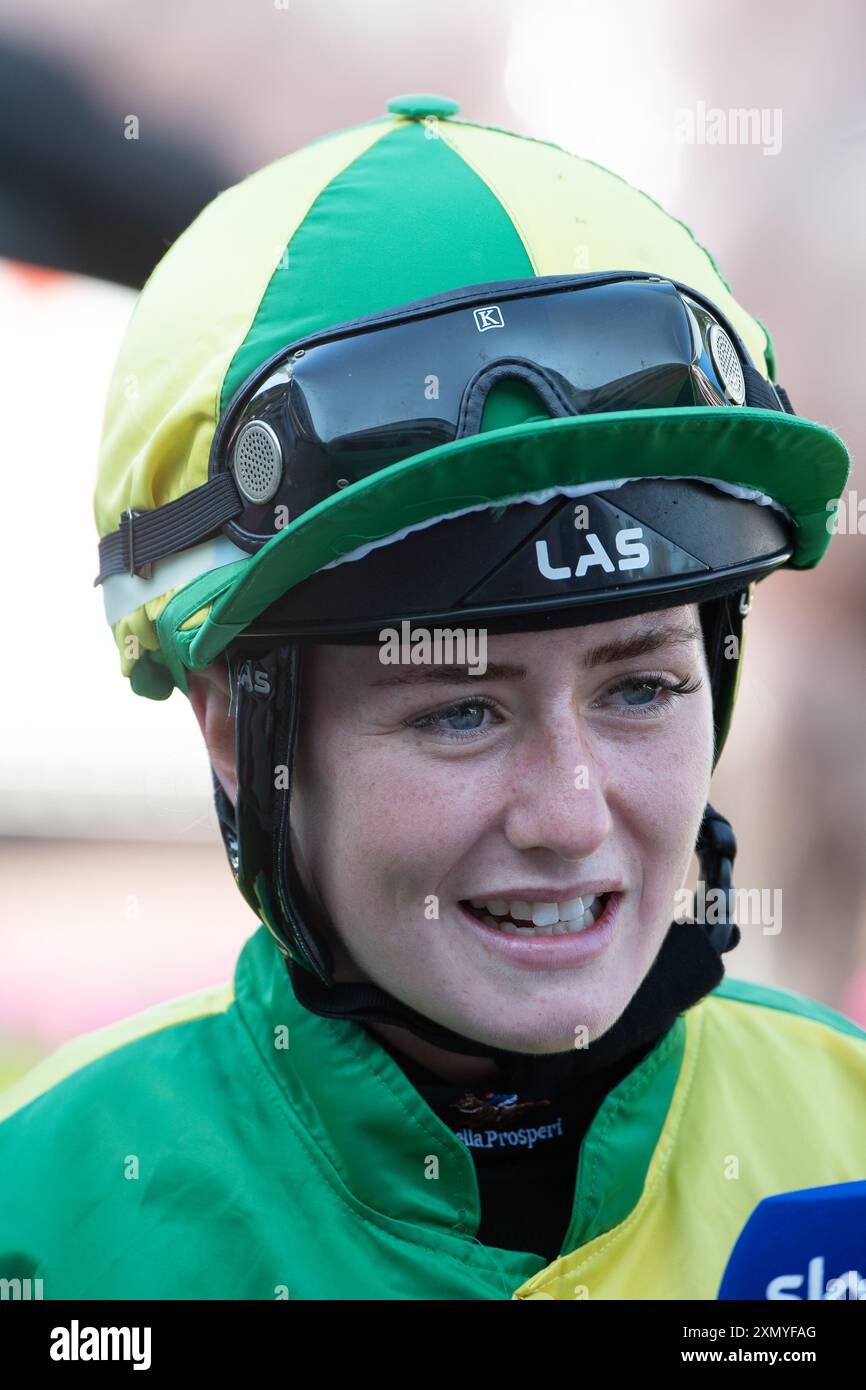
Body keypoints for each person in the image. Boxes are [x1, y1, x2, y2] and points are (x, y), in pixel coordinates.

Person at [1, 93, 864, 1302]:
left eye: (640, 685)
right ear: (234, 734)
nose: (568, 816)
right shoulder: (38, 1221)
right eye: (460, 708)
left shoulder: (848, 1138)